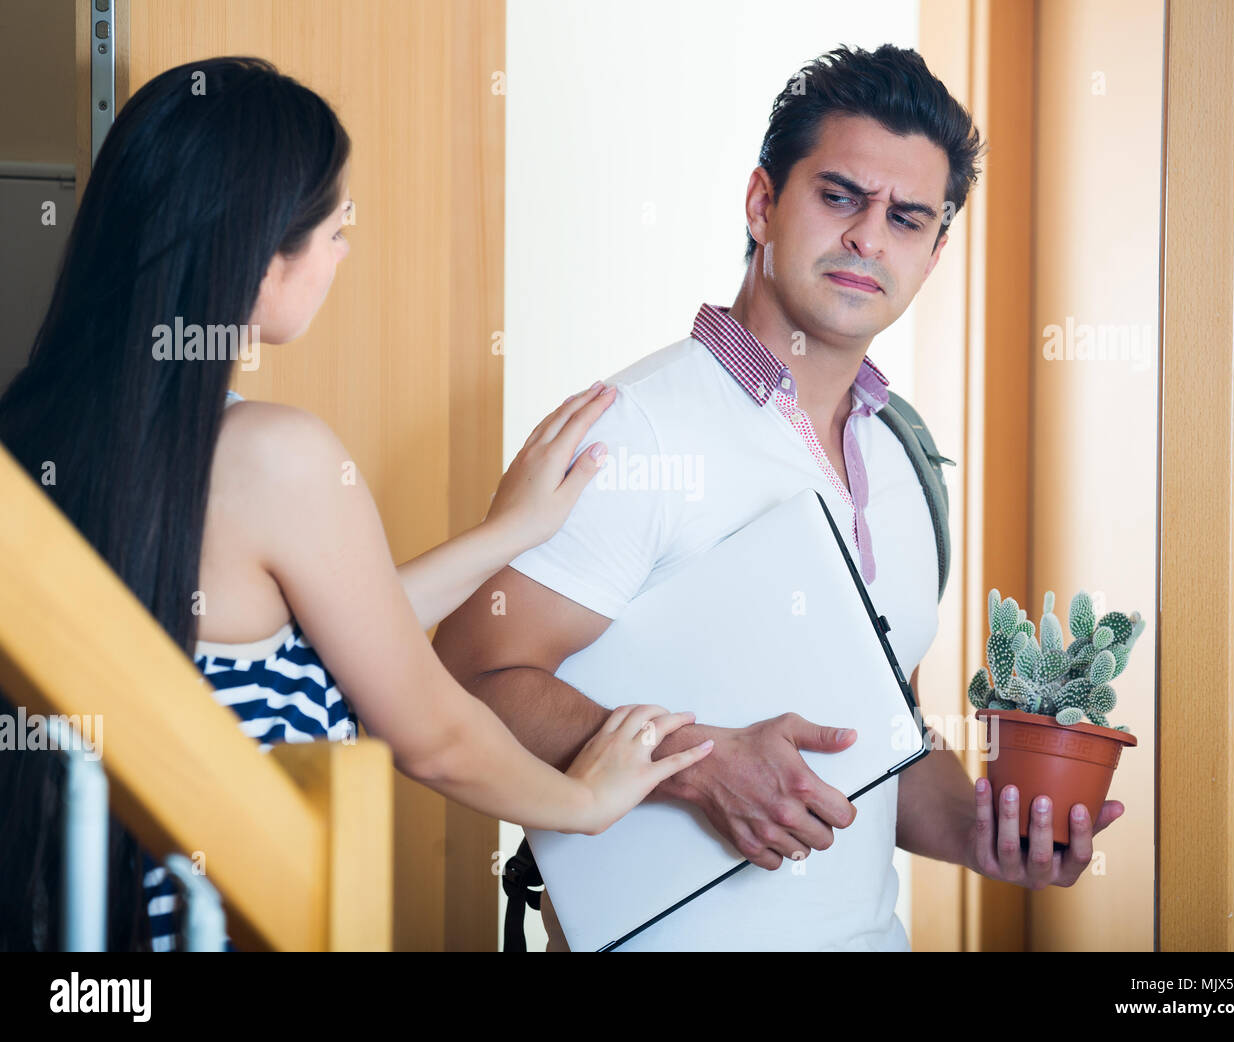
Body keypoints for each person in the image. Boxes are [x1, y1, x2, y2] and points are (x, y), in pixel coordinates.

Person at [0, 56, 711, 952]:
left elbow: (324, 636)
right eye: (336, 230)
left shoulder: (35, 430)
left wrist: (507, 535)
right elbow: (432, 736)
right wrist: (585, 802)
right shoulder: (274, 457)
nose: (345, 253)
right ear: (261, 258)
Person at [435, 43, 1125, 952]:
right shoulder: (635, 433)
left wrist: (981, 833)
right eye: (840, 196)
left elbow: (876, 742)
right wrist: (697, 762)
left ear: (935, 252)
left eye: (908, 217)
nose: (869, 238)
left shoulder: (905, 458)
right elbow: (458, 678)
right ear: (764, 204)